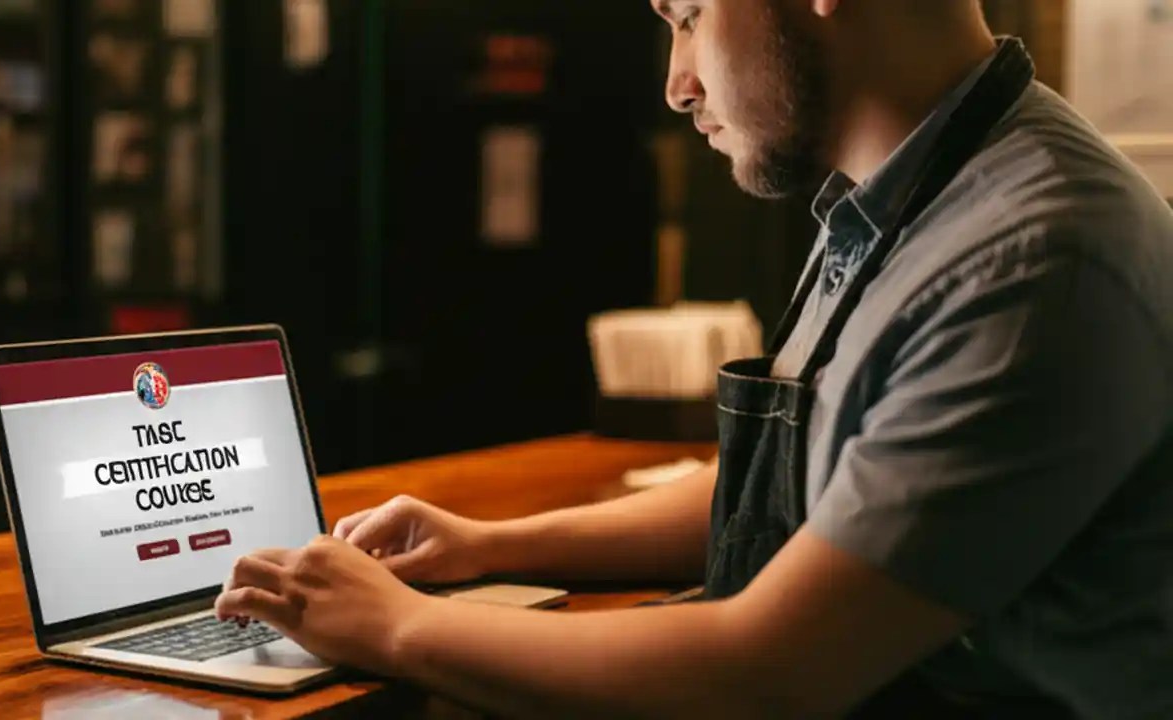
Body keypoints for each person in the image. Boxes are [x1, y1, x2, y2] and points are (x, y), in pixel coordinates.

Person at [216, 1, 1173, 716]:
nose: (676, 82)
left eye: (688, 16)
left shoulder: (1034, 257)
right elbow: (810, 490)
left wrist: (396, 626)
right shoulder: (908, 200)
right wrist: (486, 544)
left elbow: (767, 671)